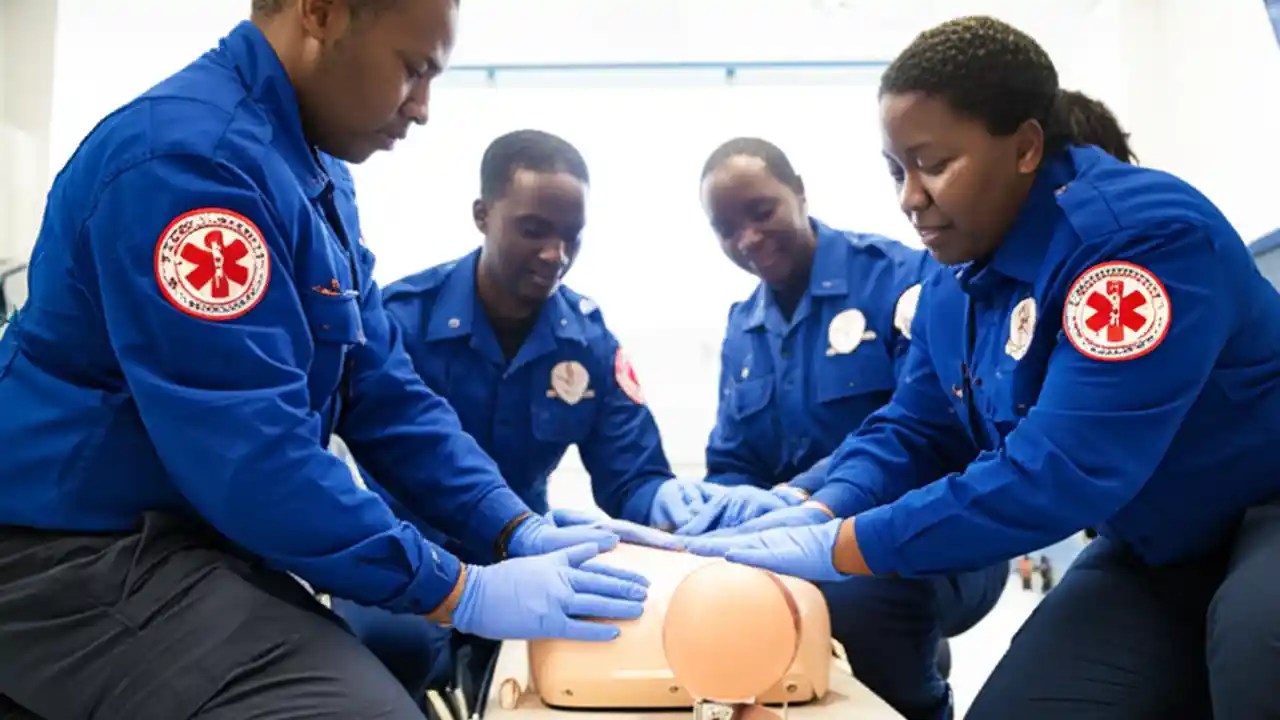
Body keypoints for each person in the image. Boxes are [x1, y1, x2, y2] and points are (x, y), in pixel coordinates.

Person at [0, 3, 652, 718]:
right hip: (72, 555)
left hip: (196, 538)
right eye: (412, 69)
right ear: (320, 12)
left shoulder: (308, 168)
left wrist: (509, 523)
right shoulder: (191, 166)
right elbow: (252, 454)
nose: (423, 108)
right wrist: (459, 589)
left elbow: (380, 389)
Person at [685, 15, 1280, 719]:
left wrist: (843, 545)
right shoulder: (954, 277)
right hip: (1156, 542)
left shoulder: (1133, 242)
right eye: (896, 170)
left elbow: (1058, 471)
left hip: (1264, 509)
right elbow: (915, 430)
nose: (909, 197)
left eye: (933, 165)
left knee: (1257, 663)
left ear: (1026, 147)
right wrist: (816, 506)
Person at [329, 128, 694, 700]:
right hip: (401, 552)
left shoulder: (588, 343)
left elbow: (632, 476)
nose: (556, 255)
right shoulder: (397, 319)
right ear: (482, 214)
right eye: (534, 231)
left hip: (524, 557)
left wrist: (674, 506)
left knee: (579, 656)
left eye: (572, 237)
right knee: (387, 652)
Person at [669, 136, 1005, 720]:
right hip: (800, 543)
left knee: (860, 598)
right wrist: (720, 507)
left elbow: (920, 431)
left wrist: (802, 500)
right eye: (726, 228)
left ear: (798, 191)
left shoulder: (904, 279)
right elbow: (734, 460)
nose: (747, 238)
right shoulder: (743, 328)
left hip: (937, 533)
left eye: (761, 211)